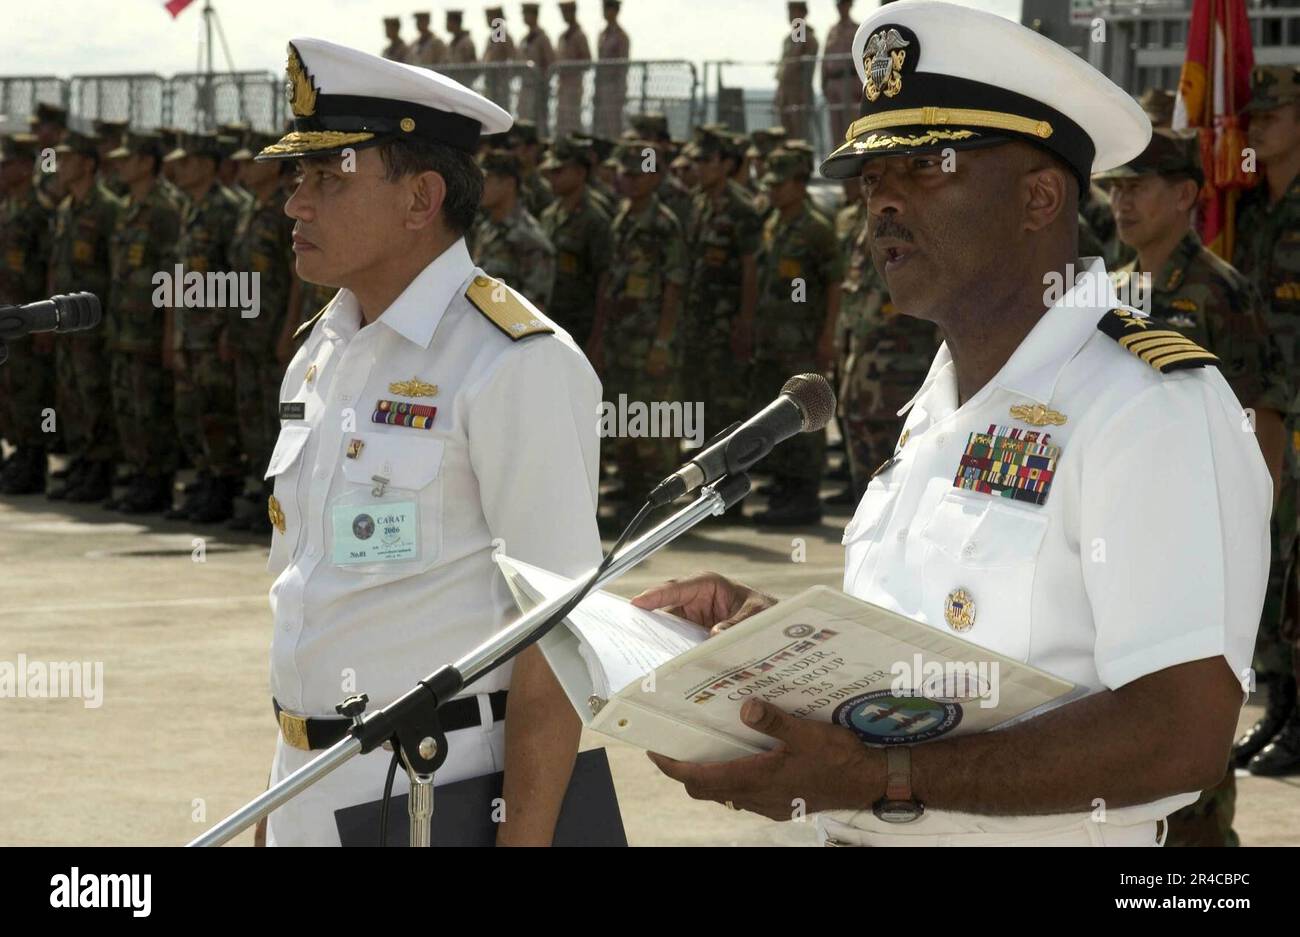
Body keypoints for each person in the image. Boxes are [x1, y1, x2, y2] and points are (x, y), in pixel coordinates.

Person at [633, 0, 1271, 848]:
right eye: (870, 179)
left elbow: (1179, 733)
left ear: (1040, 196)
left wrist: (884, 779)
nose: (881, 203)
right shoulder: (938, 400)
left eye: (923, 169)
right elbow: (930, 648)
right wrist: (779, 639)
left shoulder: (1149, 408)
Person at [250, 37, 601, 846]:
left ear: (421, 198)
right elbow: (310, 607)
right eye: (297, 178)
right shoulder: (322, 351)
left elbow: (557, 640)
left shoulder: (514, 362)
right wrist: (273, 810)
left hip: (432, 793)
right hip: (305, 782)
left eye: (328, 178)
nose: (296, 204)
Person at [1101, 127, 1293, 845]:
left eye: (1137, 186)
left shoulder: (1220, 290)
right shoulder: (1110, 292)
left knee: (1195, 731)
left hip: (1199, 538)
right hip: (1127, 534)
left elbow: (1261, 416)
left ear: (1186, 196)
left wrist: (1245, 539)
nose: (1121, 202)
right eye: (1114, 188)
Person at [1231, 63, 1300, 778]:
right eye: (1252, 118)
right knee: (1272, 556)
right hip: (1267, 409)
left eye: (1271, 116)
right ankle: (1280, 702)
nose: (1255, 128)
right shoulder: (1249, 209)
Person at [590, 141, 687, 529]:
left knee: (654, 423)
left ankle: (661, 507)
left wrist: (662, 342)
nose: (626, 181)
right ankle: (634, 498)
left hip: (649, 341)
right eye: (622, 174)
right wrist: (597, 338)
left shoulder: (664, 225)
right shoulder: (621, 219)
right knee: (624, 418)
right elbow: (607, 285)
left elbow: (674, 287)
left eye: (634, 174)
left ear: (654, 177)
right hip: (620, 340)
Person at [750, 147, 841, 525]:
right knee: (778, 413)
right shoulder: (772, 222)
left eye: (779, 184)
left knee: (805, 415)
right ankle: (785, 486)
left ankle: (804, 495)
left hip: (802, 339)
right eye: (768, 184)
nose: (771, 191)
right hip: (773, 338)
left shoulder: (816, 229)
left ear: (799, 184)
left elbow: (835, 285)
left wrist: (826, 339)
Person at [161, 132, 244, 523]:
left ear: (209, 165)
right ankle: (206, 480)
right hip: (190, 331)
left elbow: (239, 274)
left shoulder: (226, 209)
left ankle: (223, 487)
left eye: (190, 161)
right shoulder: (189, 209)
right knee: (191, 412)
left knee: (216, 413)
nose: (181, 168)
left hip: (213, 332)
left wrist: (229, 328)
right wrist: (173, 333)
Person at [103, 131, 183, 515]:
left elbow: (173, 277)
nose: (119, 164)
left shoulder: (164, 209)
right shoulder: (126, 207)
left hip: (150, 328)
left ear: (147, 162)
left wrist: (171, 332)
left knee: (150, 407)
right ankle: (138, 475)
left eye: (127, 158)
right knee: (128, 406)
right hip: (123, 327)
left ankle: (156, 482)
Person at [223, 132, 296, 534]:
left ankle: (277, 504)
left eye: (251, 162)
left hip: (273, 335)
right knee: (249, 415)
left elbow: (297, 281)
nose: (242, 169)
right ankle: (257, 490)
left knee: (278, 418)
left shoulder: (286, 212)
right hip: (246, 333)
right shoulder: (250, 210)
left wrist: (287, 330)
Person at [46, 130, 124, 503]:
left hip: (93, 321)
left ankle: (100, 467)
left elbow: (117, 271)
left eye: (68, 158)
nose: (60, 166)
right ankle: (81, 460)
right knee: (72, 394)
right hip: (64, 322)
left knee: (95, 394)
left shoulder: (107, 208)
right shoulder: (65, 210)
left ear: (88, 164)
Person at [683, 127, 761, 444]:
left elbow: (751, 268)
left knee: (728, 407)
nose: (698, 167)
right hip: (698, 321)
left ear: (726, 164)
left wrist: (745, 322)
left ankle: (730, 485)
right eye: (696, 161)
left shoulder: (741, 208)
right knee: (700, 403)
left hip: (727, 323)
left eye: (706, 160)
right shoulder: (699, 203)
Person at [0, 133, 56, 495]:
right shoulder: (8, 208)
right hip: (6, 317)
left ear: (24, 166)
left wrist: (47, 323)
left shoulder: (39, 210)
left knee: (31, 393)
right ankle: (19, 453)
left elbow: (51, 266)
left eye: (6, 164)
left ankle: (33, 459)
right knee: (10, 391)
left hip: (28, 315)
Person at [538, 135, 612, 345]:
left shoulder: (595, 219)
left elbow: (604, 283)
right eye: (550, 172)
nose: (552, 178)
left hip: (580, 325)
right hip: (549, 320)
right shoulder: (548, 215)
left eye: (559, 172)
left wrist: (597, 338)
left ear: (580, 172)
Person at [471, 149, 556, 310]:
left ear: (509, 184)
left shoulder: (529, 238)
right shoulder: (487, 228)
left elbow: (534, 309)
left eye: (486, 179)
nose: (480, 187)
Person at [774, 1, 819, 141]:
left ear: (803, 13)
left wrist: (800, 27)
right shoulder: (789, 39)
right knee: (786, 136)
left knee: (800, 136)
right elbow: (784, 67)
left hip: (799, 93)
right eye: (790, 11)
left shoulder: (806, 36)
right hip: (786, 93)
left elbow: (795, 59)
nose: (792, 15)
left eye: (796, 11)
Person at [823, 0, 859, 148]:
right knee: (835, 127)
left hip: (850, 81)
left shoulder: (857, 29)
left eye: (844, 4)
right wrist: (823, 83)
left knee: (851, 127)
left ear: (850, 5)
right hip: (833, 82)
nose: (841, 7)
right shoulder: (832, 30)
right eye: (839, 4)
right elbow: (825, 58)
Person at [594, 1, 630, 138]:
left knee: (613, 126)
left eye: (608, 8)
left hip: (614, 86)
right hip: (602, 85)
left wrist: (621, 91)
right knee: (600, 126)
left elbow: (622, 66)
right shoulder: (602, 35)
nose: (605, 11)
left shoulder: (621, 36)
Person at [518, 3, 555, 124]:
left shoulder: (542, 38)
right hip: (525, 88)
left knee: (539, 122)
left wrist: (544, 83)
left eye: (526, 13)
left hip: (538, 88)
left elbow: (551, 63)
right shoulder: (525, 39)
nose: (524, 17)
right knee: (525, 121)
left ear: (534, 15)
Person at [481, 6, 516, 109]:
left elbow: (513, 57)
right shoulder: (492, 37)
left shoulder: (504, 36)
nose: (487, 20)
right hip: (491, 83)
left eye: (490, 16)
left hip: (500, 84)